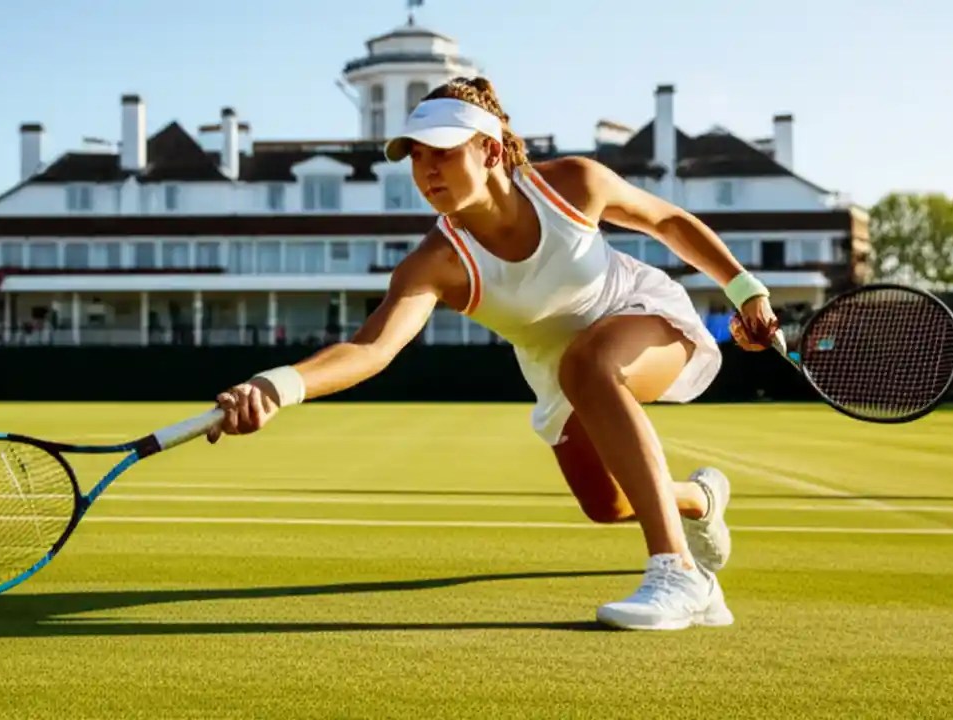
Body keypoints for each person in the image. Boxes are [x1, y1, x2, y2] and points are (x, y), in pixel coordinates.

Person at [205, 76, 779, 631]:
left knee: (589, 364)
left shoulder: (574, 184)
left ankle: (680, 574)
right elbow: (370, 347)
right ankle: (701, 498)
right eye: (415, 157)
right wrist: (275, 386)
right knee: (607, 504)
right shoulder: (437, 263)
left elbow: (668, 221)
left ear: (491, 150)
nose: (426, 170)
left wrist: (744, 288)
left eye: (443, 153)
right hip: (561, 374)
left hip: (647, 320)